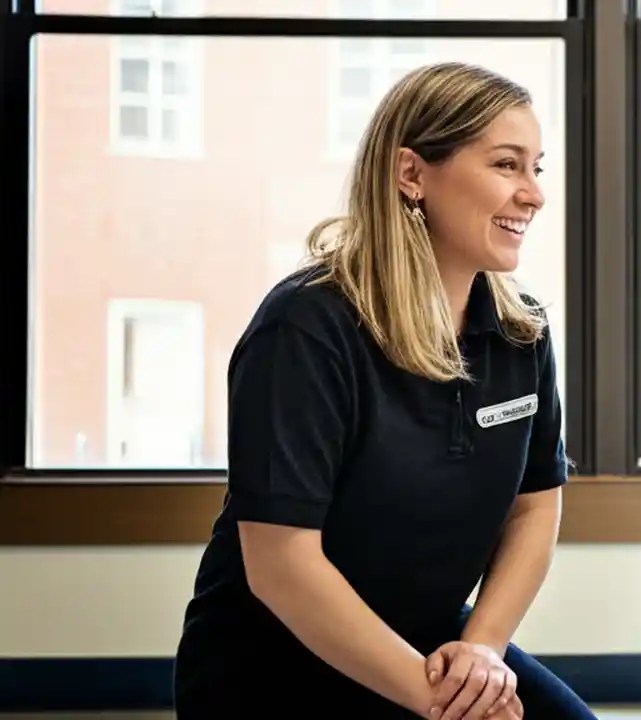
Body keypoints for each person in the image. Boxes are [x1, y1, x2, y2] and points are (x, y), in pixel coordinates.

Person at [173, 62, 596, 720]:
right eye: (506, 165)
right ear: (411, 175)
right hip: (275, 668)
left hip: (434, 643)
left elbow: (534, 507)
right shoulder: (307, 327)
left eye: (536, 168)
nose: (534, 194)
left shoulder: (522, 334)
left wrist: (481, 654)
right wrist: (441, 702)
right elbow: (282, 563)